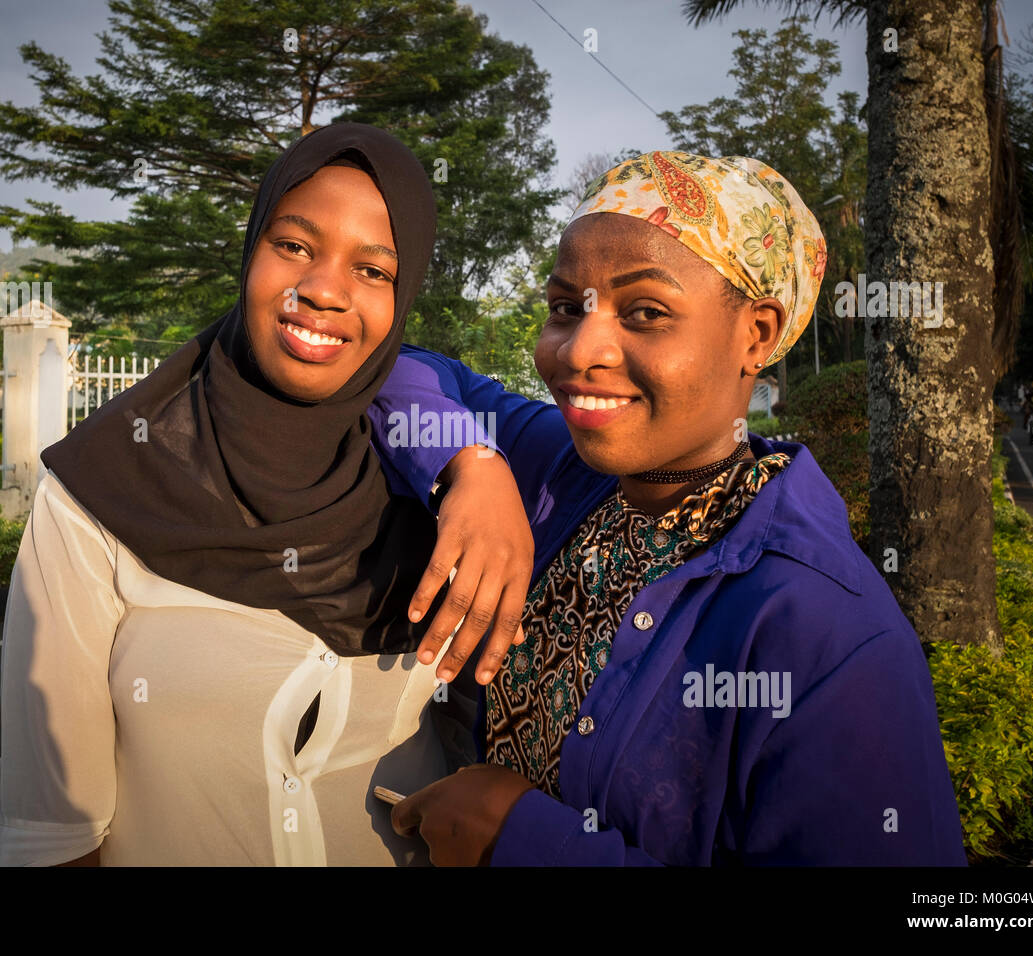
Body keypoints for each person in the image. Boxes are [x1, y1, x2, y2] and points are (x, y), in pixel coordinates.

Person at [369, 150, 968, 865]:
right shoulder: (571, 470)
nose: (579, 350)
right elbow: (396, 366)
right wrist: (473, 467)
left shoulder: (829, 636)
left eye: (645, 312)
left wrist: (527, 842)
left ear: (758, 335)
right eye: (566, 308)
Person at [0, 123, 535, 866]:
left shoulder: (429, 494)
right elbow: (54, 834)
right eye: (295, 246)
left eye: (374, 271)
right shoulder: (99, 494)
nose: (324, 290)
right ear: (252, 251)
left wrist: (480, 467)